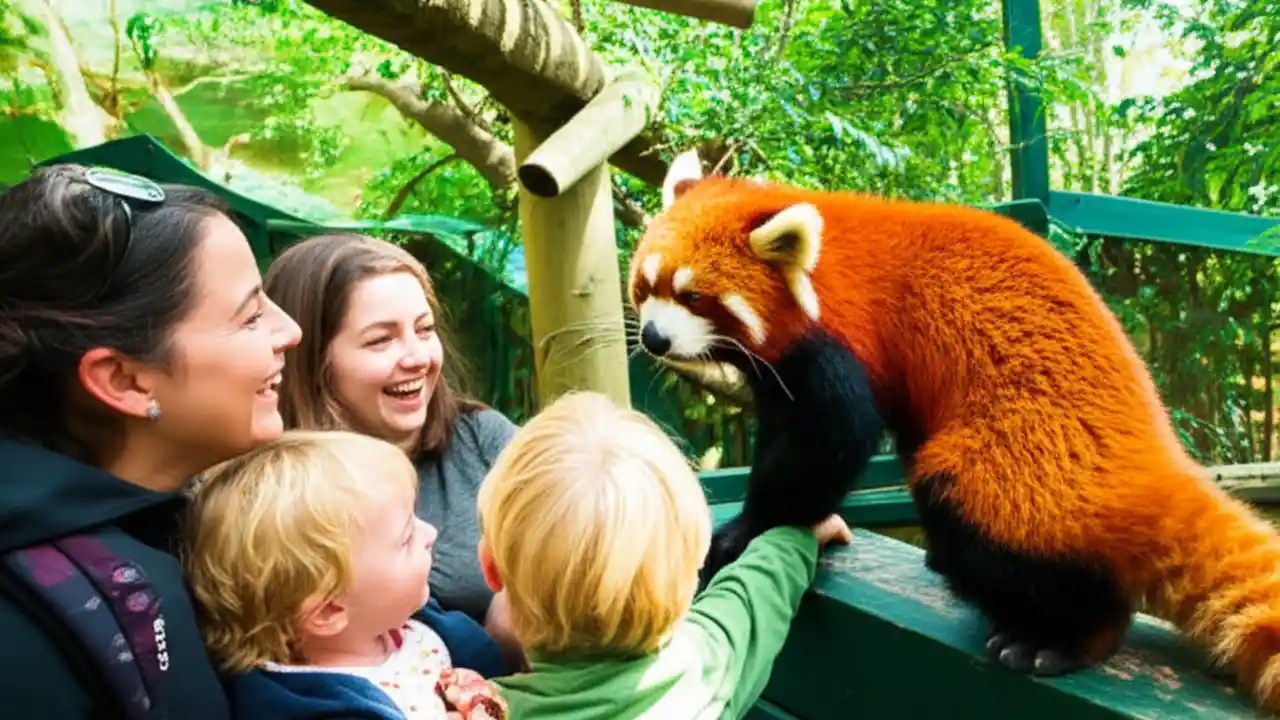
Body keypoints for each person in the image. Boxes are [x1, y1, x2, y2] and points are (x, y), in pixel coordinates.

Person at [0, 164, 302, 719]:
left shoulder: (149, 528)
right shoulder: (45, 630)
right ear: (124, 380)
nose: (290, 331)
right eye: (252, 315)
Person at [476, 390, 853, 719]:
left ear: (491, 569)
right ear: (692, 572)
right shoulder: (706, 672)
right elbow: (755, 590)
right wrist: (796, 537)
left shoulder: (476, 710)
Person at [263, 233, 521, 667]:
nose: (417, 357)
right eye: (381, 340)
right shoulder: (268, 492)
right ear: (314, 360)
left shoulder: (481, 440)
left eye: (425, 330)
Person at [185, 429, 509, 720]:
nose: (430, 534)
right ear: (329, 610)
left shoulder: (405, 625)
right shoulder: (306, 707)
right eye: (406, 537)